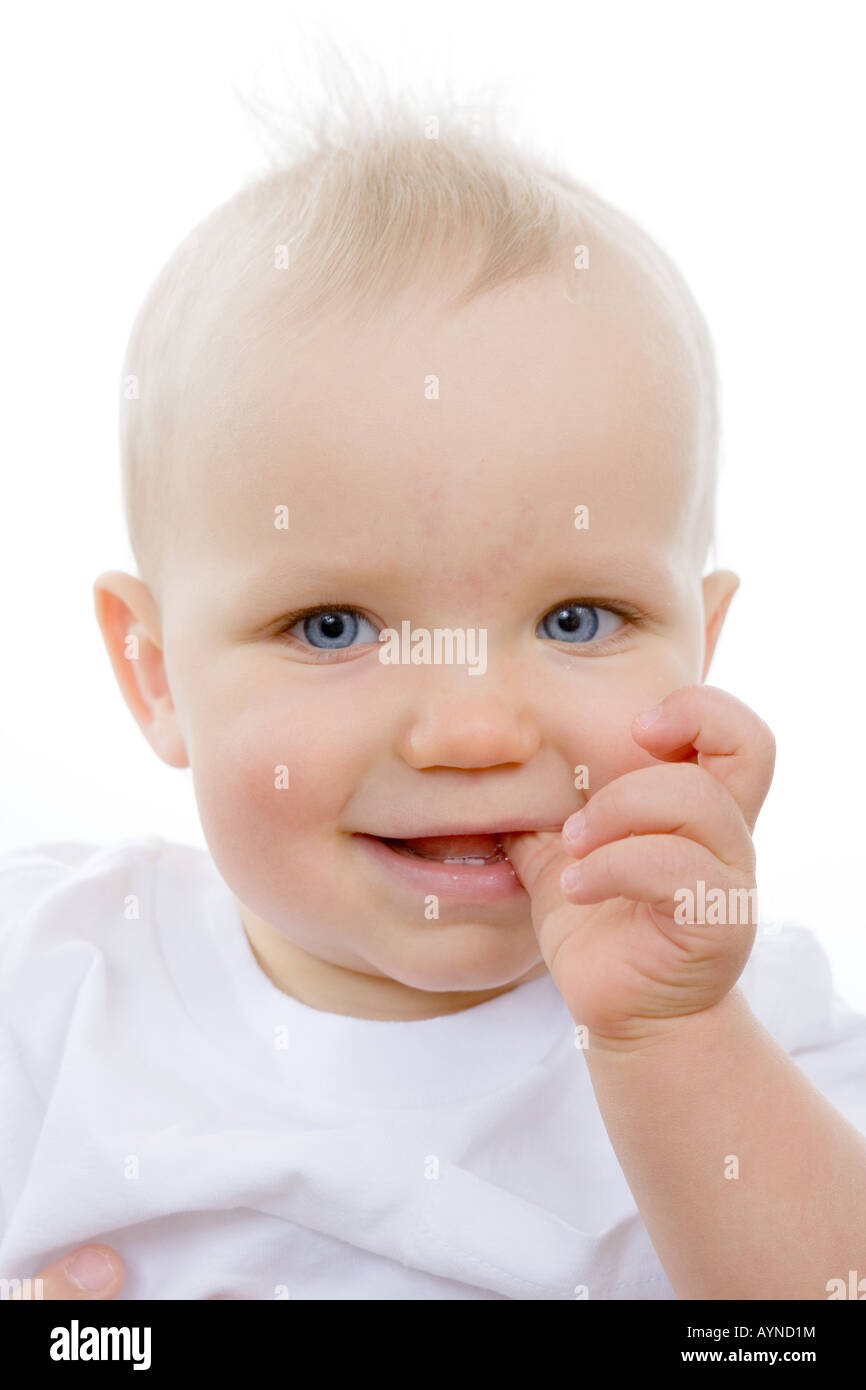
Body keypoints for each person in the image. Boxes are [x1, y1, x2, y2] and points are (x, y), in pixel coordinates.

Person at [3, 73, 866, 1301]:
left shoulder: (741, 1013)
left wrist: (671, 1041)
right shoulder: (51, 986)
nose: (470, 729)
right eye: (332, 624)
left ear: (702, 646)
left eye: (577, 620)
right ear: (154, 672)